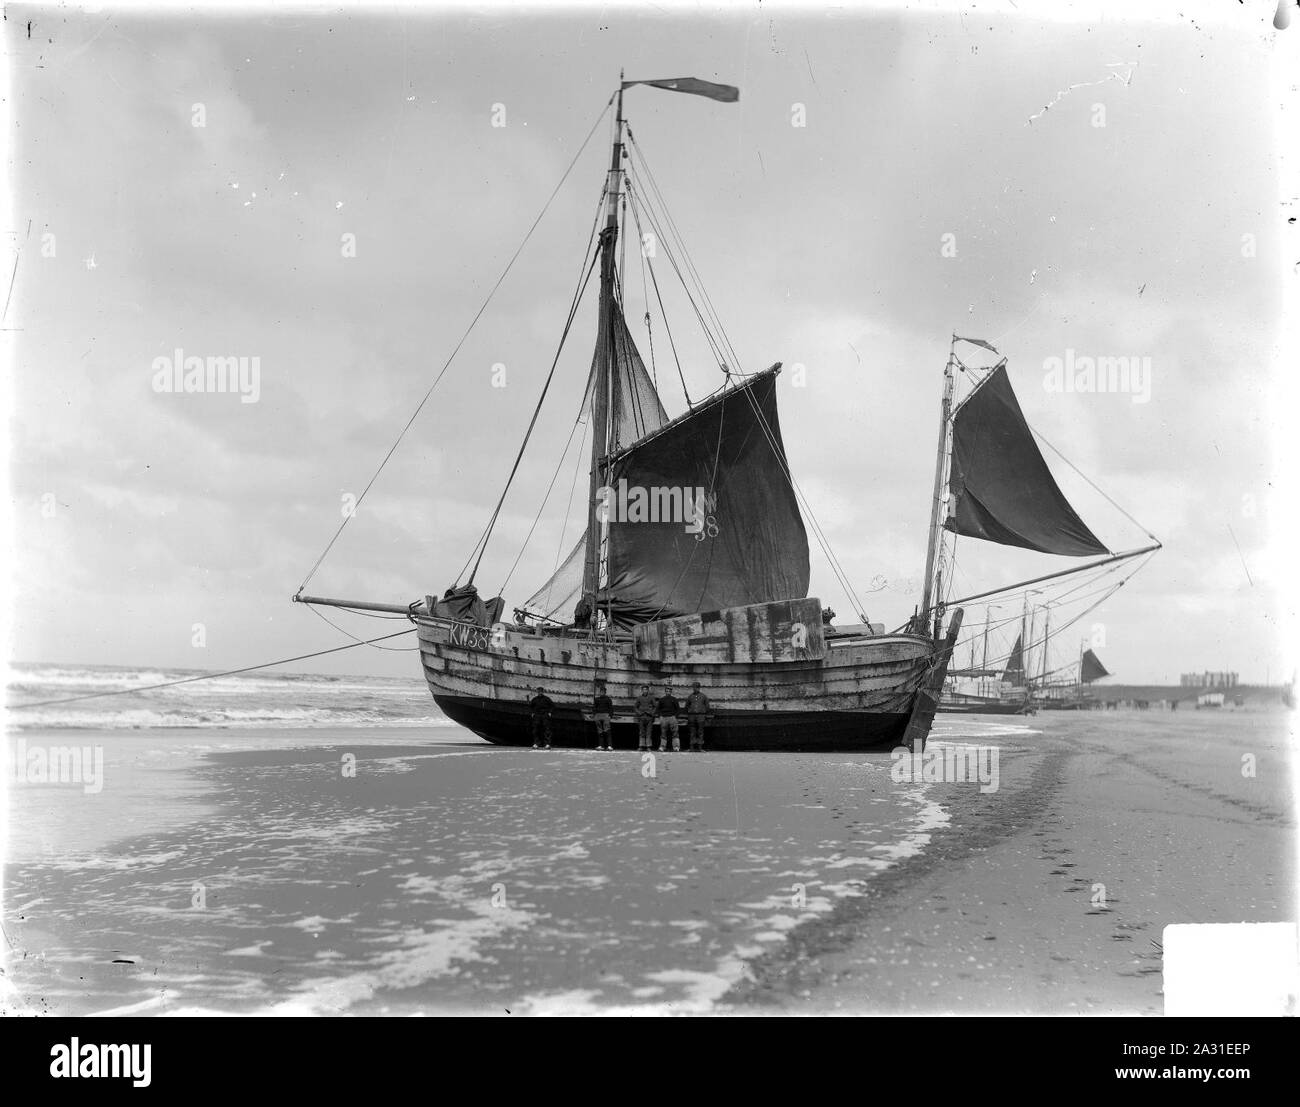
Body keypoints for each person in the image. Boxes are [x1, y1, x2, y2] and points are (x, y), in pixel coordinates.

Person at [685, 682, 710, 751]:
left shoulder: (704, 696)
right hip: (692, 716)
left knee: (700, 732)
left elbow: (707, 706)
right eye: (693, 687)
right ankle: (692, 747)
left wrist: (703, 712)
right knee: (692, 731)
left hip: (701, 716)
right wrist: (690, 712)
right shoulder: (690, 696)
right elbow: (686, 706)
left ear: (699, 688)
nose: (694, 689)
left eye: (696, 687)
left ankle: (700, 747)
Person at [656, 685, 681, 752]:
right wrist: (660, 716)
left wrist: (675, 716)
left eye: (669, 691)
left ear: (671, 692)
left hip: (672, 717)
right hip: (664, 718)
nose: (668, 692)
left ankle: (676, 747)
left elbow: (678, 709)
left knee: (675, 732)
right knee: (663, 733)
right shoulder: (662, 699)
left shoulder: (674, 699)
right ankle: (662, 747)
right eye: (667, 691)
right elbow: (658, 709)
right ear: (665, 692)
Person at [634, 684, 657, 751]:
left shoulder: (651, 697)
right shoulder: (639, 698)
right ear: (642, 690)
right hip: (641, 717)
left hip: (649, 717)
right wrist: (639, 713)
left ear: (648, 690)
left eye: (646, 689)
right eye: (644, 689)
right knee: (642, 732)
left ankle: (648, 746)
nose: (645, 691)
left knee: (649, 732)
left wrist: (652, 713)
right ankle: (641, 746)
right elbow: (635, 707)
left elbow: (655, 706)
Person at [592, 683, 614, 751]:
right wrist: (594, 715)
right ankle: (601, 745)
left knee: (607, 731)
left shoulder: (608, 699)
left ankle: (609, 746)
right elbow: (594, 708)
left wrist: (610, 716)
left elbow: (611, 708)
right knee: (600, 731)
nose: (602, 693)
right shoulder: (597, 699)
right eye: (601, 691)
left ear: (605, 692)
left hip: (606, 715)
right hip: (598, 715)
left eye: (603, 692)